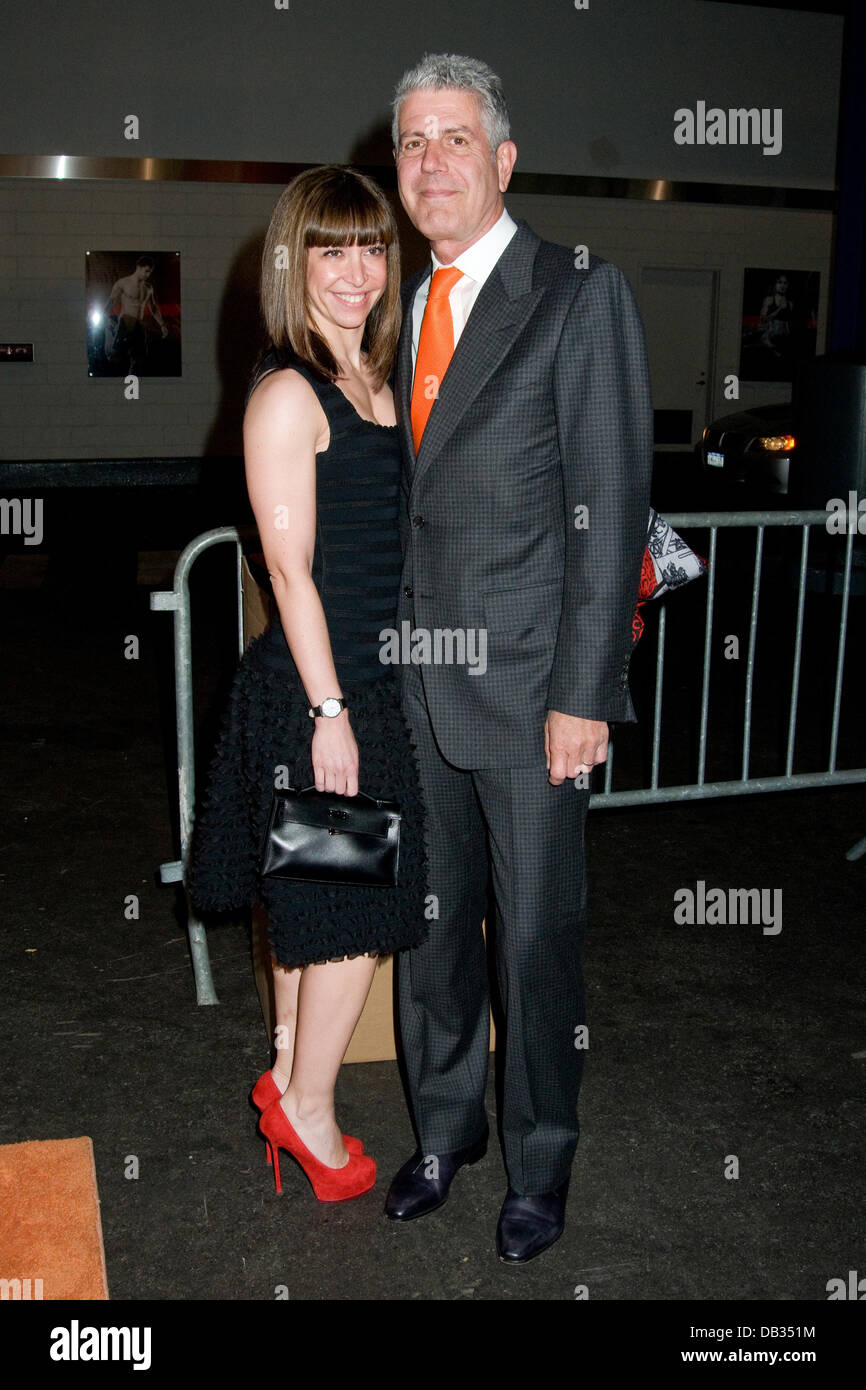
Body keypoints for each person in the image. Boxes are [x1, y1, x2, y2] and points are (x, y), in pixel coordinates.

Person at [385, 54, 654, 1262]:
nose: (428, 162)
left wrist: (583, 695)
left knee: (535, 940)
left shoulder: (573, 293)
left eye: (452, 140)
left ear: (501, 162)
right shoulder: (393, 303)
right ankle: (445, 1128)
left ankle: (538, 1159)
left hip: (533, 688)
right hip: (416, 682)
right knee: (430, 928)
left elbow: (608, 497)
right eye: (409, 143)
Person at [189, 166, 428, 1203]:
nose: (355, 270)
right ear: (295, 261)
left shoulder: (375, 378)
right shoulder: (290, 391)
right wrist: (332, 712)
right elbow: (286, 570)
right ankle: (313, 1113)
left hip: (367, 681)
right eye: (330, 248)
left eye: (371, 246)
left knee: (312, 910)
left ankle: (290, 1077)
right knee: (350, 921)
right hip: (318, 690)